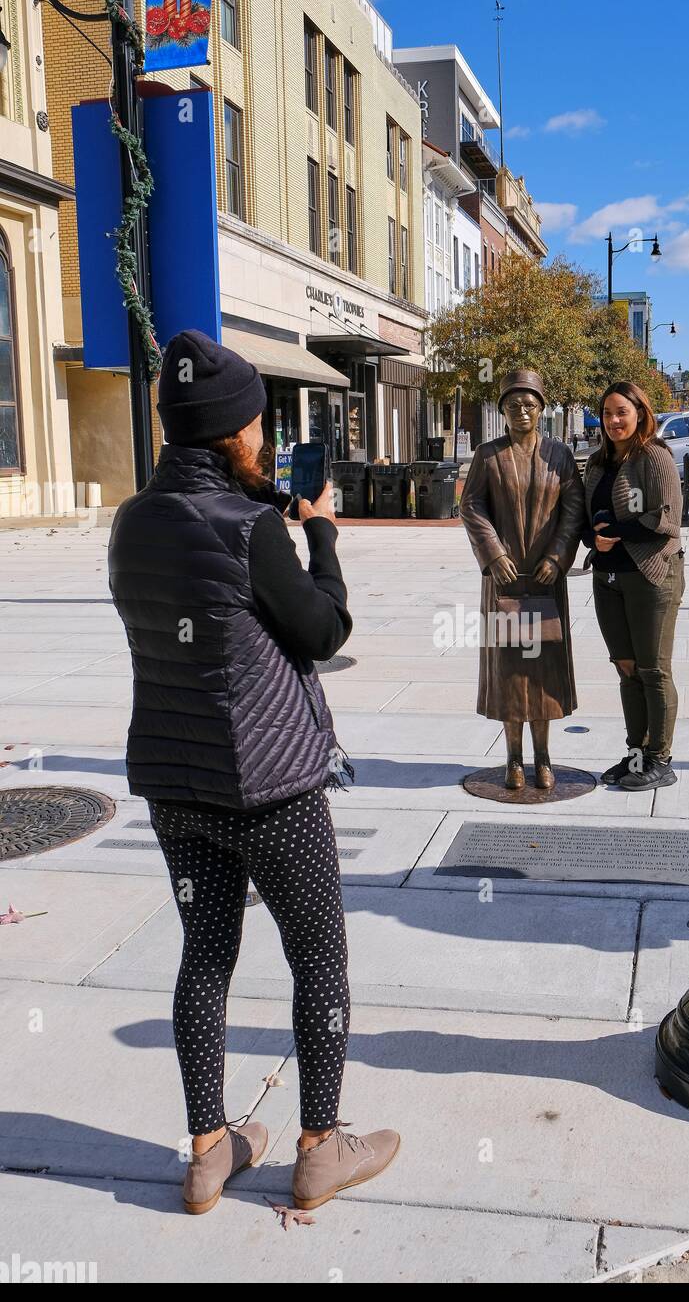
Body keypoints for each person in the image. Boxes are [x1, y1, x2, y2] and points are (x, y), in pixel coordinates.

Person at [107, 329, 399, 1215]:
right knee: (320, 960)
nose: (267, 443)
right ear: (232, 433)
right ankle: (318, 1147)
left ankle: (207, 1150)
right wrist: (324, 541)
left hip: (173, 784)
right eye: (259, 428)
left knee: (205, 954)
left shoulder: (130, 521)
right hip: (271, 789)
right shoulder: (250, 528)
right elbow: (322, 632)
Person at [459, 370, 583, 790]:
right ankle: (513, 759)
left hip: (547, 579)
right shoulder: (489, 455)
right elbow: (471, 507)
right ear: (503, 411)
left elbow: (573, 511)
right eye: (513, 404)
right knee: (511, 671)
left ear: (542, 409)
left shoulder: (560, 456)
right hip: (505, 582)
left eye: (530, 404)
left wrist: (558, 555)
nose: (522, 411)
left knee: (543, 670)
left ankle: (544, 758)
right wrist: (494, 555)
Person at [581, 381, 685, 791]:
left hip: (652, 575)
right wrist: (593, 539)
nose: (613, 420)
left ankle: (661, 758)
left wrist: (618, 533)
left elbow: (667, 522)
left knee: (653, 670)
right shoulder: (597, 462)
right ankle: (636, 754)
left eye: (622, 411)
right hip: (607, 576)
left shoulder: (654, 457)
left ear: (640, 413)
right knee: (625, 668)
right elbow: (588, 521)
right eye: (607, 413)